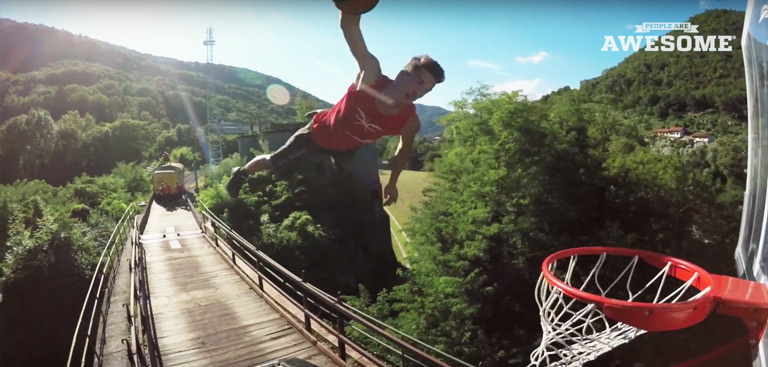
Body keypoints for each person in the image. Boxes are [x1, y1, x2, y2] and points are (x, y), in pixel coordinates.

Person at [226, 6, 445, 206]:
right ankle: (241, 173)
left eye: (426, 90)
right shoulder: (371, 75)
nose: (419, 93)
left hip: (346, 148)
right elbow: (349, 27)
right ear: (403, 73)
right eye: (418, 83)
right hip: (316, 134)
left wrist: (393, 183)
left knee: (345, 179)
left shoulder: (409, 121)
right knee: (274, 161)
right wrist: (351, 7)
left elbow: (403, 150)